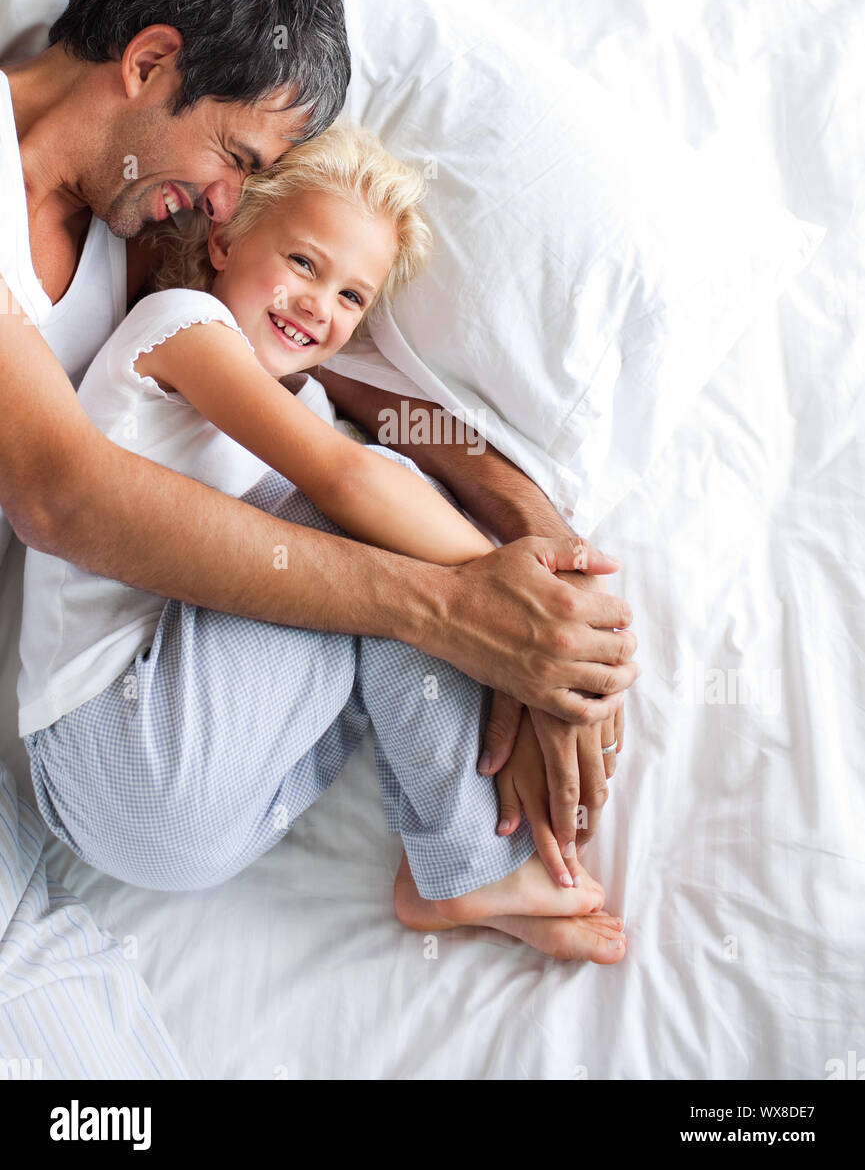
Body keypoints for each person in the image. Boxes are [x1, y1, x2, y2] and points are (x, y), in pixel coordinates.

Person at [0, 0, 638, 890]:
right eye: (238, 160)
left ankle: (467, 862)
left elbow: (307, 370)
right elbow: (57, 494)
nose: (227, 205)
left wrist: (539, 554)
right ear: (149, 61)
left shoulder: (130, 227)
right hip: (94, 750)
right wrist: (466, 605)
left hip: (178, 775)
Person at [19, 120, 628, 962]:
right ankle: (472, 865)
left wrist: (516, 631)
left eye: (352, 298)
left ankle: (449, 861)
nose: (319, 306)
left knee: (383, 595)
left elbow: (401, 468)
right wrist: (517, 603)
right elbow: (351, 482)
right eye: (304, 263)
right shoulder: (180, 326)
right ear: (226, 238)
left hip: (223, 817)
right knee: (384, 510)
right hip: (118, 748)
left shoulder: (306, 402)